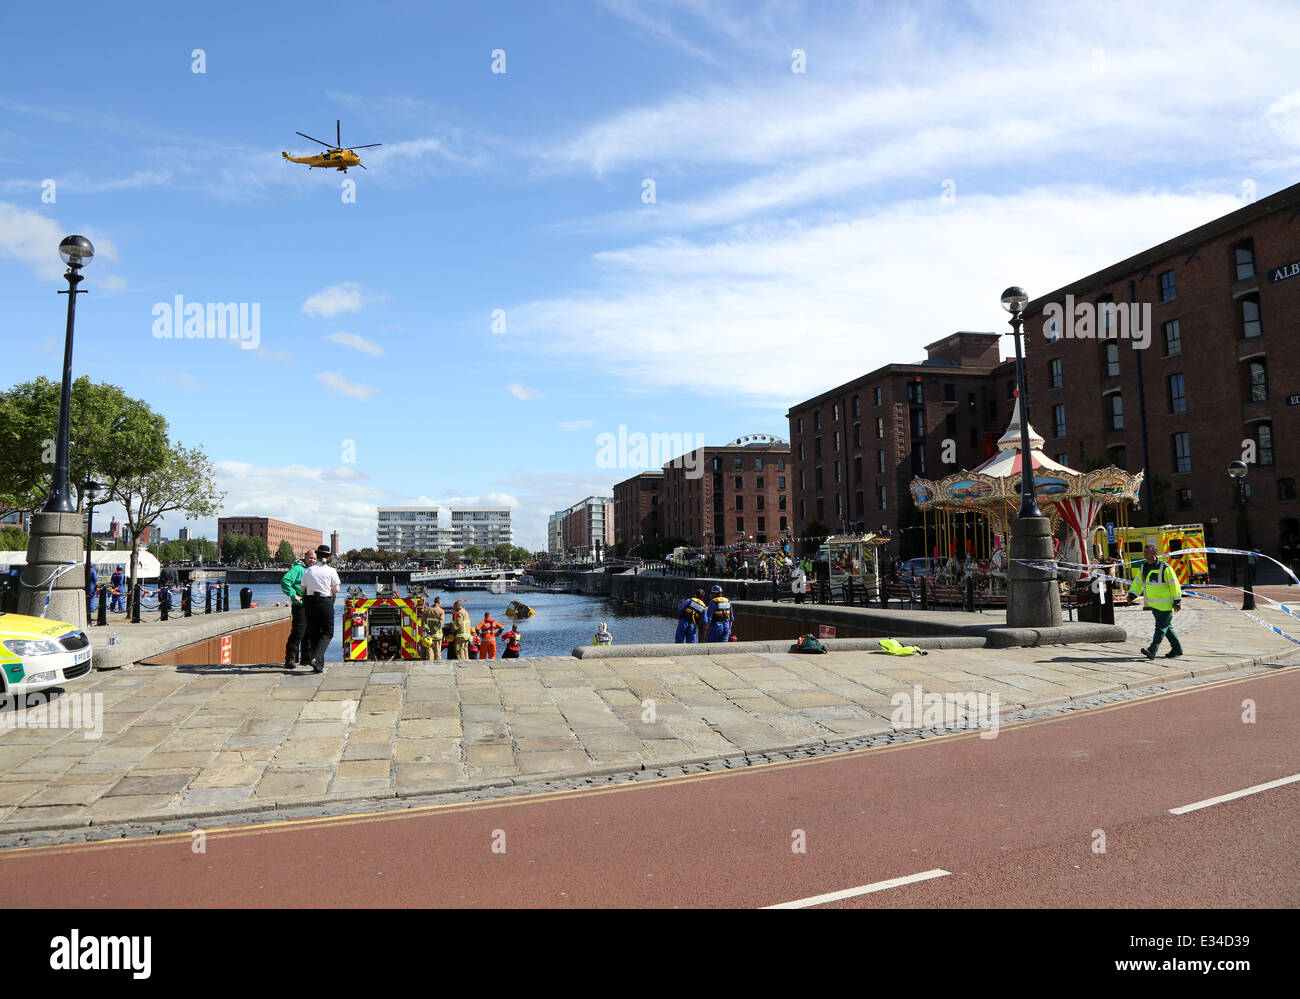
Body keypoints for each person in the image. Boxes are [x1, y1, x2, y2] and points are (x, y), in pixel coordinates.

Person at [1126, 543, 1183, 660]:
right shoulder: (1143, 567)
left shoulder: (1165, 568)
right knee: (1167, 628)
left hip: (1166, 605)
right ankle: (1177, 649)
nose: (1145, 554)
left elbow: (1175, 585)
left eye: (1147, 552)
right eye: (1144, 552)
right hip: (1154, 605)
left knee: (1160, 628)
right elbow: (1138, 583)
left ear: (1155, 553)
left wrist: (1177, 601)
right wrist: (1131, 596)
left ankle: (1152, 650)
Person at [302, 545, 341, 673]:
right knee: (328, 633)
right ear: (328, 557)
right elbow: (336, 589)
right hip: (325, 602)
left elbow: (303, 589)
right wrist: (326, 590)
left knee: (314, 633)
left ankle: (319, 666)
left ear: (317, 556)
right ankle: (315, 657)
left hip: (310, 603)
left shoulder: (309, 571)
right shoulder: (331, 571)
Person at [280, 549, 315, 669]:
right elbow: (285, 581)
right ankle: (289, 659)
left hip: (311, 605)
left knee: (309, 633)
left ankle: (306, 660)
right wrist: (293, 595)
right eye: (310, 557)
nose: (312, 560)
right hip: (300, 606)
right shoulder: (298, 569)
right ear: (305, 557)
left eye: (315, 558)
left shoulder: (313, 570)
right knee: (298, 632)